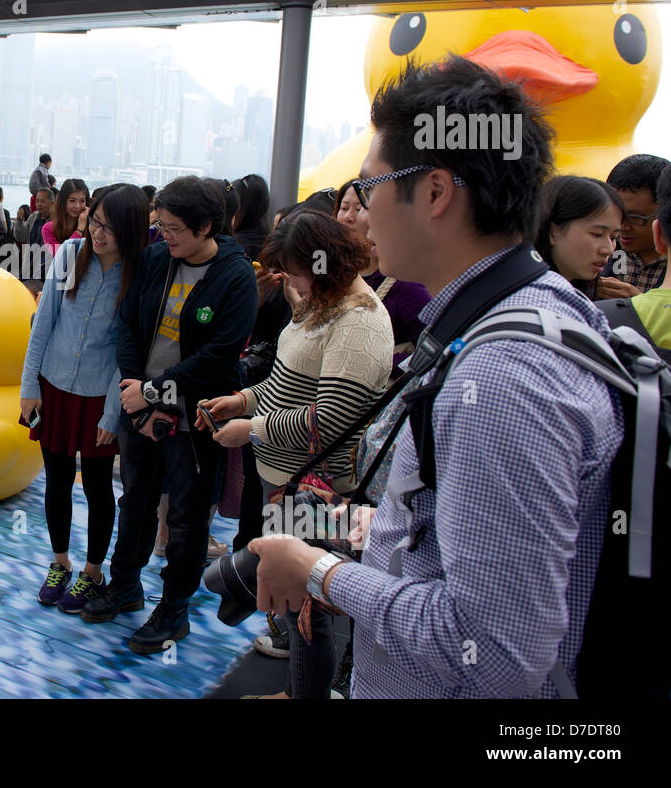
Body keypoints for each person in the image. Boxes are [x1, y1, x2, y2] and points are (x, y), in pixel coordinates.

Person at [248, 56, 623, 698]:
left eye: (368, 189)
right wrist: (389, 533)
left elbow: (494, 654)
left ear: (435, 192)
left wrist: (317, 570)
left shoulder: (505, 377)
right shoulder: (536, 312)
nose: (358, 214)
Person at [201, 209, 393, 695]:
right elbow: (290, 381)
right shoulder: (322, 305)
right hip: (286, 477)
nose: (286, 279)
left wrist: (252, 428)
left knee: (309, 606)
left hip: (319, 487)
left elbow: (330, 419)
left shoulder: (359, 324)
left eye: (292, 268)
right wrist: (243, 400)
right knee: (296, 601)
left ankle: (301, 692)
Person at [81, 176, 257, 654]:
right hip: (140, 404)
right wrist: (134, 391)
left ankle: (175, 607)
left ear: (205, 227)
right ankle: (125, 585)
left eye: (173, 228)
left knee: (186, 512)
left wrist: (154, 392)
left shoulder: (236, 277)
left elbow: (219, 357)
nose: (163, 235)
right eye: (159, 225)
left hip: (196, 415)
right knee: (135, 499)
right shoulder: (157, 260)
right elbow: (127, 326)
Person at [23, 184, 148, 614]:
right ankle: (59, 563)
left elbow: (128, 353)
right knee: (56, 480)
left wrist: (113, 412)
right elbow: (43, 326)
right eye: (94, 220)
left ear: (130, 231)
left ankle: (93, 573)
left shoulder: (137, 276)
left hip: (100, 396)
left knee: (97, 487)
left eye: (110, 228)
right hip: (54, 388)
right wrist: (28, 387)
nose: (98, 232)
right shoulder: (67, 256)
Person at [336, 180, 430, 378]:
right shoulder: (333, 274)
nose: (348, 217)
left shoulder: (405, 284)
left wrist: (372, 361)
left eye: (360, 208)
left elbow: (429, 350)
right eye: (344, 208)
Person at [535, 175, 625, 300]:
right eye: (597, 234)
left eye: (614, 237)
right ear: (552, 232)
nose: (609, 250)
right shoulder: (528, 299)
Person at [599, 154, 668, 297]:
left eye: (635, 218)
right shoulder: (598, 251)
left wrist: (640, 305)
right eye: (617, 214)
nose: (622, 227)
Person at [42, 178, 89, 256]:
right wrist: (80, 229)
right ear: (63, 201)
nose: (77, 206)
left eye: (82, 201)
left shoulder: (92, 226)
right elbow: (61, 256)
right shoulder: (48, 228)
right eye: (72, 201)